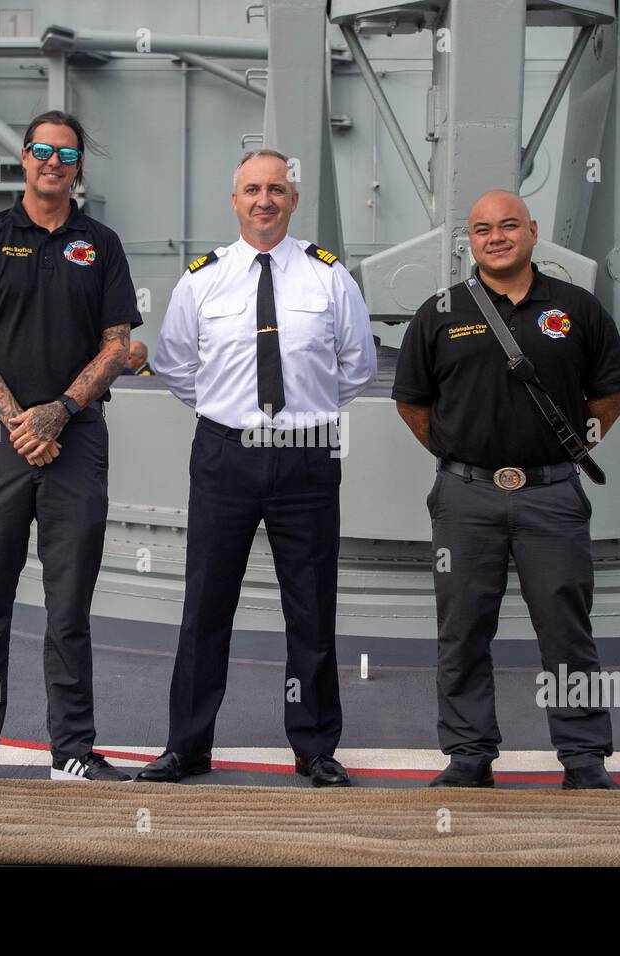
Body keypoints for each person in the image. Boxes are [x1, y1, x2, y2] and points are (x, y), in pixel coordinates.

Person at [144, 148, 377, 788]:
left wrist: (299, 417)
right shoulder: (202, 279)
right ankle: (187, 747)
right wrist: (235, 418)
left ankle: (314, 746)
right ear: (235, 200)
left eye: (277, 189)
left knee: (311, 610)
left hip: (307, 456)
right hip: (224, 455)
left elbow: (356, 366)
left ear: (293, 200)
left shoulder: (330, 277)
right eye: (252, 189)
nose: (265, 200)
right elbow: (175, 366)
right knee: (206, 607)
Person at [392, 189, 620, 790]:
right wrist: (462, 454)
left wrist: (572, 448)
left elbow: (611, 392)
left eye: (507, 226)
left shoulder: (577, 308)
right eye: (480, 230)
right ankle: (469, 753)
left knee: (568, 630)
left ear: (532, 230)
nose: (495, 237)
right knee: (464, 628)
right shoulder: (440, 311)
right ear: (468, 241)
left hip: (553, 495)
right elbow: (411, 402)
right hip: (465, 497)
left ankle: (583, 757)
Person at [0, 109, 139, 782]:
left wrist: (60, 411)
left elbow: (119, 346)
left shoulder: (100, 245)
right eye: (43, 150)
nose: (54, 161)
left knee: (69, 603)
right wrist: (23, 420)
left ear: (79, 167)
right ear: (24, 158)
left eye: (67, 153)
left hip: (75, 441)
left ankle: (72, 748)